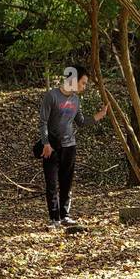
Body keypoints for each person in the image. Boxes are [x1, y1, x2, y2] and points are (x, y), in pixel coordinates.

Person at [37, 64, 108, 229]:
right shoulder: (52, 96)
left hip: (70, 146)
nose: (84, 86)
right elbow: (43, 122)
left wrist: (100, 115)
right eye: (83, 83)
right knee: (52, 183)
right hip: (52, 147)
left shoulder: (76, 99)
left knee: (66, 182)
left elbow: (81, 122)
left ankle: (65, 215)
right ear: (73, 80)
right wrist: (46, 143)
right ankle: (54, 219)